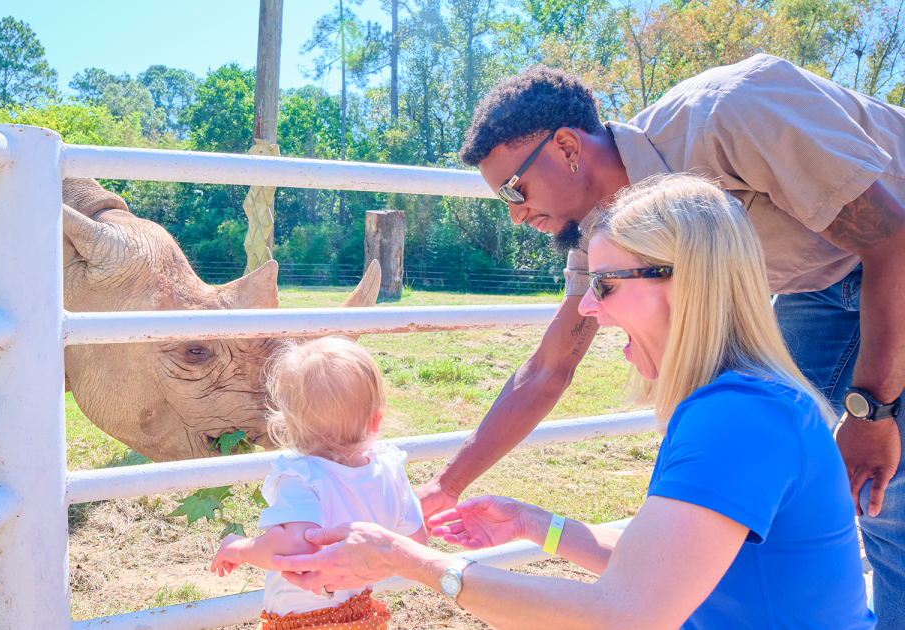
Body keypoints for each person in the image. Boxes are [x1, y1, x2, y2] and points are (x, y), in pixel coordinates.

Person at [413, 54, 905, 624]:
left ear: (568, 148)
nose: (516, 215)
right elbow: (550, 367)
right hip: (821, 283)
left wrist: (872, 410)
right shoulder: (608, 236)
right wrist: (446, 486)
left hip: (891, 253)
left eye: (514, 190)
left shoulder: (732, 112)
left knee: (886, 500)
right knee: (787, 474)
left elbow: (892, 241)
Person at [271, 175, 875, 629]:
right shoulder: (746, 404)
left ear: (685, 284)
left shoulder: (738, 420)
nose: (587, 307)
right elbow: (661, 569)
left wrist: (413, 562)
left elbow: (625, 615)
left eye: (606, 285)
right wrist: (541, 527)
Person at [210, 336, 427, 630]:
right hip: (359, 616)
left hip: (302, 622)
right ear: (375, 421)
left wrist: (239, 547)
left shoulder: (305, 477)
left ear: (288, 421)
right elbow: (416, 542)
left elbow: (290, 547)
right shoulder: (390, 470)